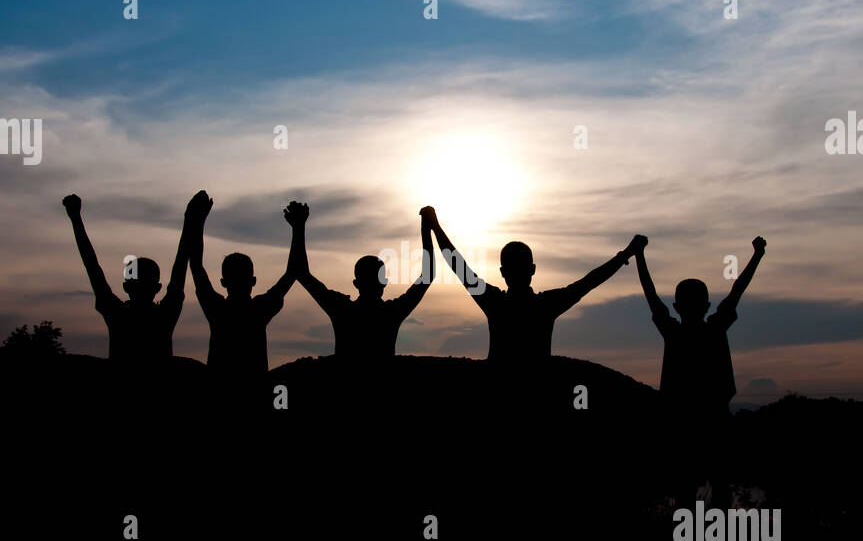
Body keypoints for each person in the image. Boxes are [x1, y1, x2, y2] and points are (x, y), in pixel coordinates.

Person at [632, 234, 767, 502]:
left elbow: (650, 294)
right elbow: (737, 289)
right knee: (718, 488)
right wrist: (757, 255)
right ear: (706, 305)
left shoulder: (674, 332)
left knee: (687, 490)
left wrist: (639, 255)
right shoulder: (715, 328)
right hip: (713, 421)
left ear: (676, 307)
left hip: (683, 424)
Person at [425, 207, 646, 360]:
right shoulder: (546, 305)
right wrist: (625, 254)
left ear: (503, 273)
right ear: (532, 270)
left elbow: (458, 267)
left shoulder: (495, 302)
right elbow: (590, 282)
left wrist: (435, 226)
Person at [61, 191, 207, 367]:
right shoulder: (164, 315)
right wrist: (190, 220)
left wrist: (75, 219)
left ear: (126, 286)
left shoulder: (117, 314)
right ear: (157, 288)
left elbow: (92, 267)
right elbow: (181, 264)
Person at [283, 201, 435, 359]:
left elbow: (301, 273)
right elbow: (428, 275)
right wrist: (427, 228)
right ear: (384, 282)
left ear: (356, 283)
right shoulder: (391, 313)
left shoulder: (342, 310)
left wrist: (298, 228)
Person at [184, 191, 295, 380]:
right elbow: (293, 272)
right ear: (253, 281)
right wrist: (298, 229)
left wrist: (197, 221)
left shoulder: (216, 308)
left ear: (223, 282)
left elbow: (195, 264)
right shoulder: (259, 309)